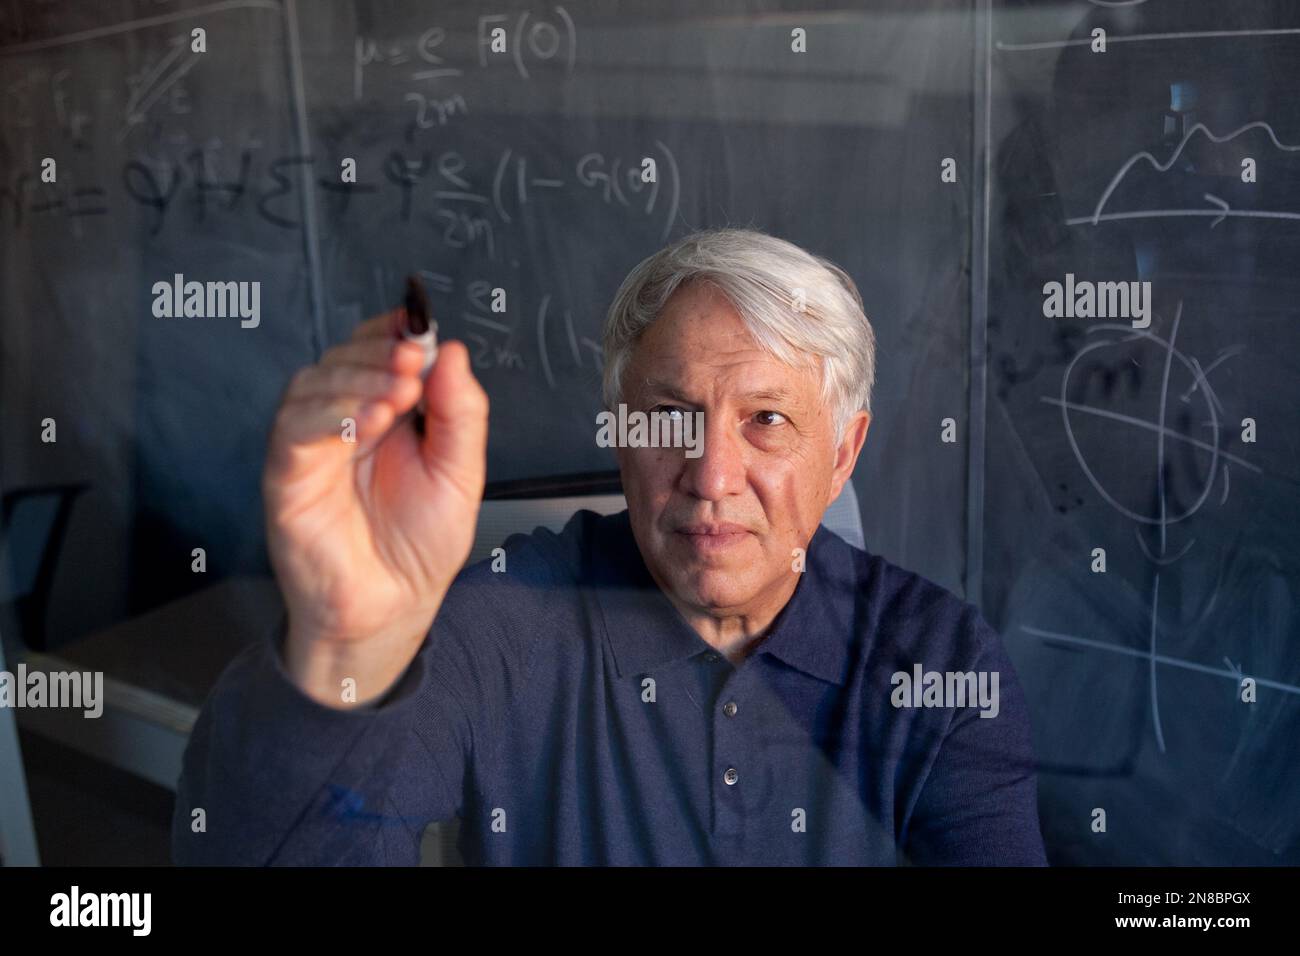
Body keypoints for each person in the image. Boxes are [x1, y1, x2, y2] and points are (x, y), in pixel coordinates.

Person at [172, 229, 1047, 866]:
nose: (711, 475)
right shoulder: (502, 625)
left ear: (843, 455)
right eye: (670, 418)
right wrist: (342, 645)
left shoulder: (939, 658)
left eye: (767, 421)